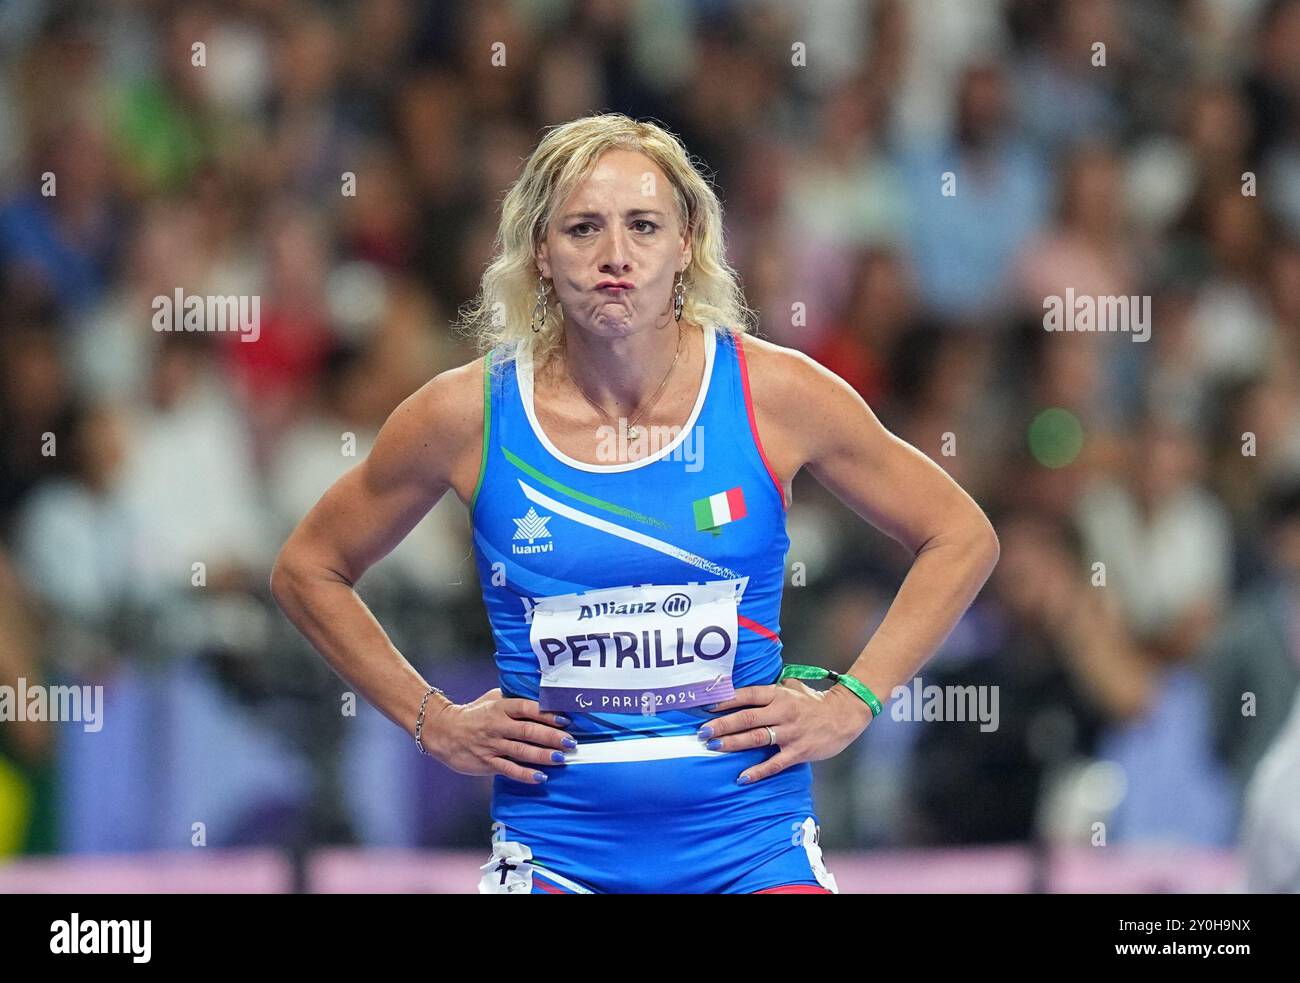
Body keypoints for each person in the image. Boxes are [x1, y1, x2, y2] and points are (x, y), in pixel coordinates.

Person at [271, 113, 1000, 894]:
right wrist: (432, 718)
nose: (616, 256)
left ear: (685, 243)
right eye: (584, 228)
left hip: (752, 851)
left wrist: (854, 699)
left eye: (643, 226)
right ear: (541, 254)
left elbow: (961, 534)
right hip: (557, 856)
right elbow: (308, 567)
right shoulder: (465, 416)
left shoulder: (775, 394)